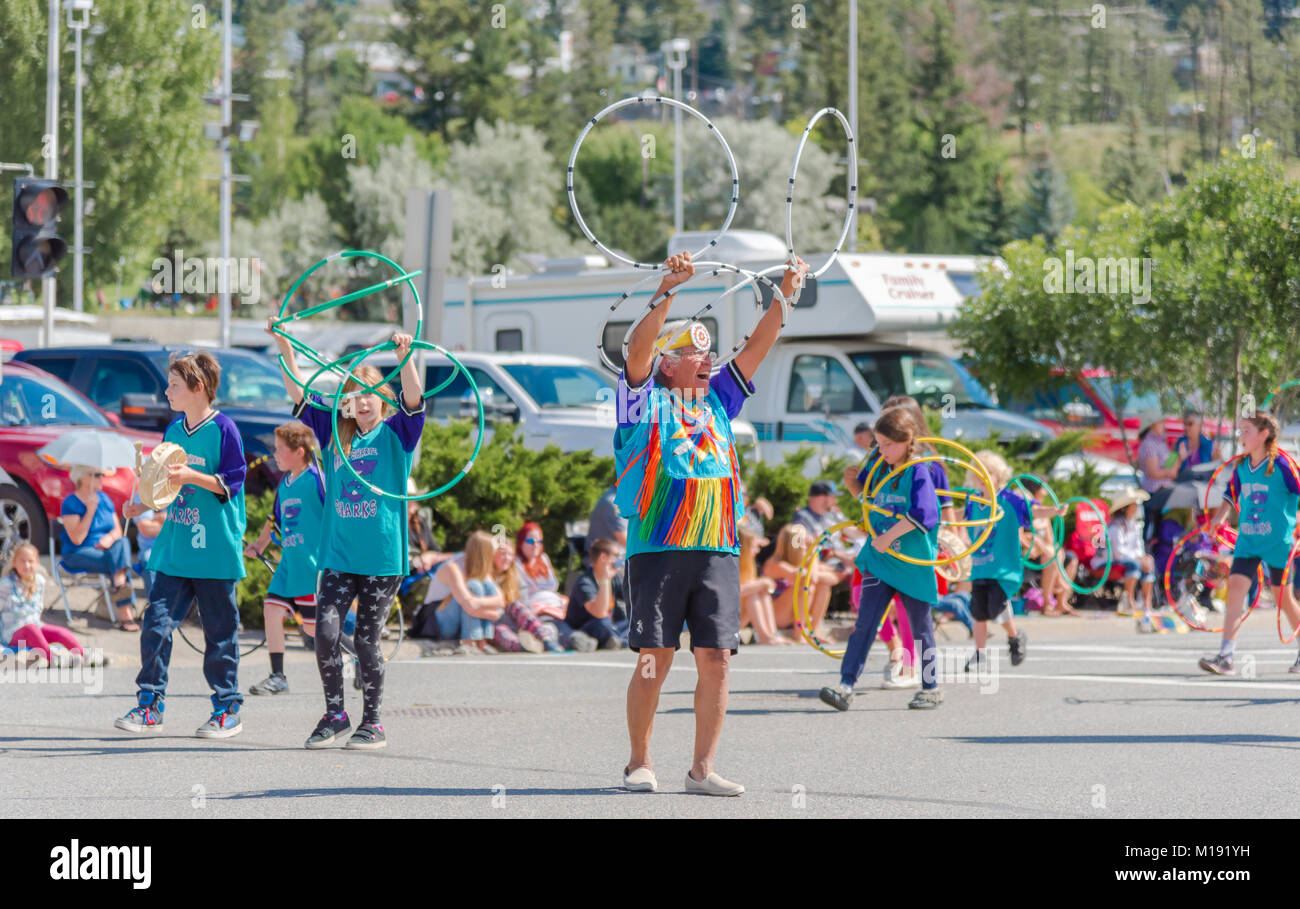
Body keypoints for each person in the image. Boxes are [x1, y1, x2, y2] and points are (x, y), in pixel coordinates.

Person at [617, 250, 808, 797]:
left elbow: (757, 347)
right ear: (666, 363)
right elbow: (636, 347)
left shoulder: (721, 401)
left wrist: (784, 295)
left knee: (718, 658)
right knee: (655, 658)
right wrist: (668, 289)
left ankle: (701, 770)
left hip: (717, 546)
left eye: (708, 353)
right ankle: (638, 762)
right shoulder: (641, 401)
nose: (706, 360)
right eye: (692, 352)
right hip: (656, 546)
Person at [272, 321, 425, 750]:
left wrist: (404, 358)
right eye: (352, 395)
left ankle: (372, 721)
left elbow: (414, 400)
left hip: (380, 558)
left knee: (365, 638)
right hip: (338, 555)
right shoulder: (331, 435)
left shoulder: (397, 435)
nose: (359, 403)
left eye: (367, 395)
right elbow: (297, 391)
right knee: (323, 632)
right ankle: (335, 714)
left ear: (380, 399)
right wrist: (283, 341)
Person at [117, 351, 248, 738]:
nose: (166, 390)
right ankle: (150, 704)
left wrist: (193, 474)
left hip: (215, 552)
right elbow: (164, 489)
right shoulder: (173, 430)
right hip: (175, 549)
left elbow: (231, 484)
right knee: (155, 625)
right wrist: (142, 502)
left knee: (220, 634)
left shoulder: (225, 429)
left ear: (198, 388)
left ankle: (227, 709)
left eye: (174, 384)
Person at [819, 407, 943, 711]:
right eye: (878, 443)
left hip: (912, 562)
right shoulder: (877, 468)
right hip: (880, 560)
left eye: (888, 444)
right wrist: (855, 488)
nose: (882, 450)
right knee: (865, 623)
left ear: (908, 439)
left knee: (920, 627)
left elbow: (924, 514)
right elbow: (870, 503)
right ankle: (846, 685)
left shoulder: (919, 470)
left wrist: (888, 537)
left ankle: (931, 687)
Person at [1198, 413, 1300, 675]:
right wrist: (1218, 520)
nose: (1241, 436)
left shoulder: (1283, 466)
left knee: (1283, 600)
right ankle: (1226, 656)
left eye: (1246, 431)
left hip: (1279, 541)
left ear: (1264, 434)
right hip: (1248, 540)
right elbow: (1229, 495)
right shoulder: (1242, 466)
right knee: (1235, 591)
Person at [244, 422, 326, 695]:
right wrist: (259, 544)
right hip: (289, 566)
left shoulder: (317, 479)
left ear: (300, 451)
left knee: (317, 632)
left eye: (280, 449)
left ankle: (358, 657)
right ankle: (278, 676)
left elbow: (336, 517)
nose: (275, 455)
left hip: (311, 569)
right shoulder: (285, 484)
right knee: (272, 608)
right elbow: (274, 520)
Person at [963, 451, 1063, 671]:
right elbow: (962, 523)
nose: (983, 477)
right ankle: (979, 654)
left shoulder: (1009, 499)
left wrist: (1054, 510)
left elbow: (1034, 510)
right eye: (978, 472)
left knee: (995, 606)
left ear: (998, 475)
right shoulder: (973, 501)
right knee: (978, 612)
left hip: (1003, 569)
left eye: (988, 472)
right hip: (980, 568)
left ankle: (1015, 636)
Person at [60, 464, 138, 631]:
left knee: (122, 543)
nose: (101, 478)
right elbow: (77, 538)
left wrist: (109, 539)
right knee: (120, 563)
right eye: (97, 474)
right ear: (82, 478)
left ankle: (123, 601)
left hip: (106, 550)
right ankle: (127, 614)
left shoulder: (104, 498)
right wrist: (90, 510)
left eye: (102, 474)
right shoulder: (70, 502)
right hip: (78, 553)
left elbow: (118, 530)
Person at [1, 542, 87, 667]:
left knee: (60, 632)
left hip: (35, 628)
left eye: (30, 561)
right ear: (14, 563)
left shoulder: (39, 582)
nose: (26, 565)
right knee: (31, 629)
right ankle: (53, 660)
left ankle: (84, 656)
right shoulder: (5, 585)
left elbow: (37, 611)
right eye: (22, 561)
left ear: (36, 563)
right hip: (13, 633)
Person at [435, 531, 506, 654]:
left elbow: (500, 600)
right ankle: (468, 641)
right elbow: (469, 605)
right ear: (485, 554)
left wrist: (479, 603)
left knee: (487, 586)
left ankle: (482, 642)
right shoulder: (453, 567)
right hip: (438, 623)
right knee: (473, 586)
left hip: (462, 617)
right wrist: (494, 614)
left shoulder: (481, 570)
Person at [764, 523, 837, 635]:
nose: (805, 546)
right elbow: (811, 578)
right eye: (803, 542)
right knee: (806, 586)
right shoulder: (776, 564)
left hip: (793, 614)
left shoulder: (804, 561)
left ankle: (814, 631)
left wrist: (813, 559)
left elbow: (832, 579)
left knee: (823, 587)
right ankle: (800, 633)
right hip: (777, 616)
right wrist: (814, 553)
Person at [489, 538, 560, 654]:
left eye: (510, 554)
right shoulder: (486, 577)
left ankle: (545, 639)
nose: (507, 558)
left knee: (515, 605)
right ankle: (524, 646)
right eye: (503, 554)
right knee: (500, 631)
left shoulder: (515, 577)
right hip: (495, 624)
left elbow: (524, 607)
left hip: (515, 623)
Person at [1094, 488, 1155, 615]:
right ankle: (1129, 600)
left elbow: (1139, 546)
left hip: (1124, 558)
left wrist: (1143, 557)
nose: (1137, 508)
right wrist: (1138, 559)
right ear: (1125, 508)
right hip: (1106, 561)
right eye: (1134, 505)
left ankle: (1147, 602)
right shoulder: (1115, 526)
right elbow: (1118, 553)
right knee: (1135, 564)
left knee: (1148, 563)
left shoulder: (1134, 524)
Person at [564, 537, 626, 649]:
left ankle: (616, 640)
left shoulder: (615, 577)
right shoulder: (584, 583)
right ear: (603, 557)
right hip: (586, 627)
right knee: (603, 623)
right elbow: (600, 613)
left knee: (633, 621)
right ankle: (620, 641)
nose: (620, 559)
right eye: (617, 556)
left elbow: (631, 599)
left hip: (611, 626)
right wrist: (605, 580)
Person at [792, 481, 857, 579]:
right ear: (821, 498)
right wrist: (836, 554)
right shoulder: (802, 517)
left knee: (865, 561)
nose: (836, 501)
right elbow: (802, 548)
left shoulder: (832, 513)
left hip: (844, 560)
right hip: (825, 565)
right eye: (833, 497)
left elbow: (853, 532)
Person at [738, 528, 791, 645]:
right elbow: (732, 593)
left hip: (738, 618)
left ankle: (771, 634)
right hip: (727, 620)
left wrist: (761, 585)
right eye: (753, 547)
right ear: (744, 548)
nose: (757, 551)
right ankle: (764, 636)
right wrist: (761, 583)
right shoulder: (732, 565)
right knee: (754, 592)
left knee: (761, 591)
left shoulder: (749, 565)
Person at [585, 485, 627, 561]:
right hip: (603, 561)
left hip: (619, 555)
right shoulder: (613, 503)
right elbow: (627, 543)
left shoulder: (625, 498)